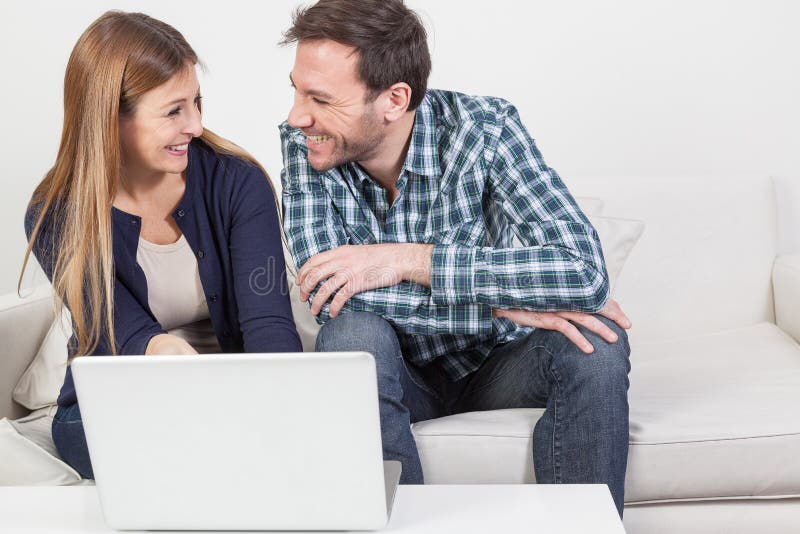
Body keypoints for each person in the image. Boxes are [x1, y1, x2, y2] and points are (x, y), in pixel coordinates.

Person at [279, 0, 632, 516]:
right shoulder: (304, 143)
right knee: (352, 335)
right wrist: (501, 304)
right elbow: (328, 294)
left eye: (321, 99)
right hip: (396, 370)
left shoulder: (485, 129)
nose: (297, 114)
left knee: (597, 344)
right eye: (295, 89)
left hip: (495, 367)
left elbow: (581, 269)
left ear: (394, 99)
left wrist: (407, 260)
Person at [21, 11, 301, 480]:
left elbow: (268, 323)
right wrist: (164, 356)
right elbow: (121, 329)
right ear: (111, 119)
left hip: (233, 393)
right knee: (173, 458)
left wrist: (283, 411)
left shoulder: (237, 182)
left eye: (197, 102)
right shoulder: (55, 215)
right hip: (116, 403)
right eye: (174, 110)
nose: (194, 124)